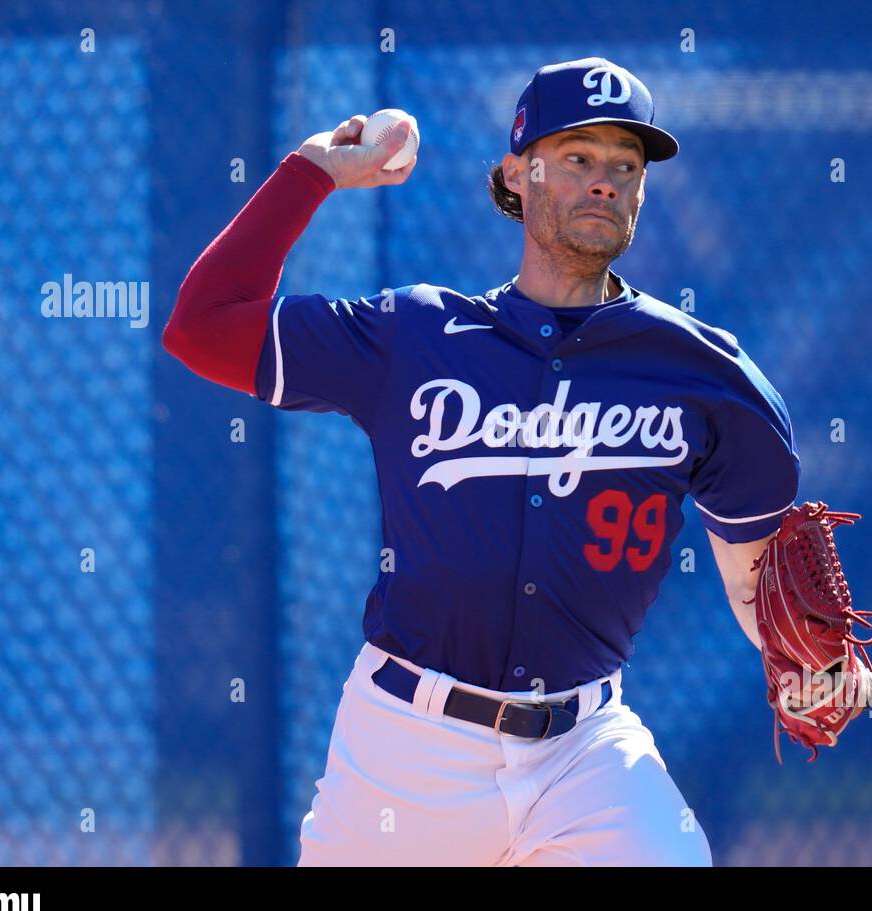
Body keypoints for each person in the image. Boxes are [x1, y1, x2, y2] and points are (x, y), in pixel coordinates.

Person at [162, 57, 800, 866]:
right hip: (407, 749)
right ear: (516, 174)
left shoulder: (704, 373)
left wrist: (808, 661)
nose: (603, 180)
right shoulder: (414, 338)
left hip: (587, 751)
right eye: (577, 157)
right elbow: (202, 324)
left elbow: (756, 580)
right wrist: (315, 170)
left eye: (624, 166)